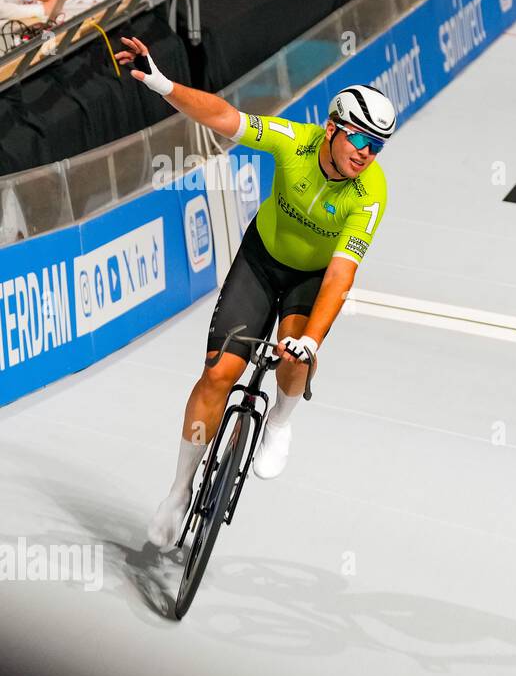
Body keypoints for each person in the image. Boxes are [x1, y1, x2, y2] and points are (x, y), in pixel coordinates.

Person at [111, 37, 395, 548]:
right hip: (261, 262)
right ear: (332, 129)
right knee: (219, 373)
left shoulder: (371, 192)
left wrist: (310, 339)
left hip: (313, 279)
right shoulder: (295, 141)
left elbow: (340, 276)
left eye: (379, 146)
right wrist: (162, 84)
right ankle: (178, 492)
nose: (368, 155)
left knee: (296, 356)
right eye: (361, 140)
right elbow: (225, 118)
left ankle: (280, 423)